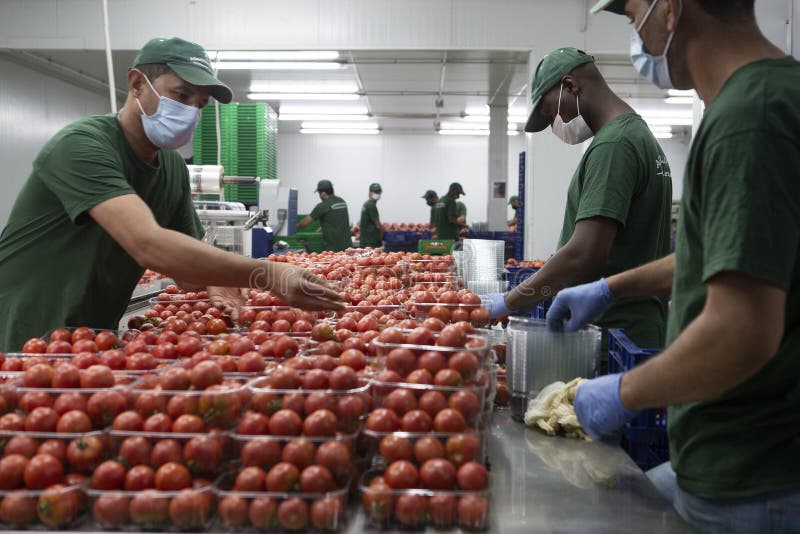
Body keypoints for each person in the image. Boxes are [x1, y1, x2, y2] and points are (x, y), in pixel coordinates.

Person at [548, 0, 800, 530]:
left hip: (752, 472)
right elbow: (726, 252)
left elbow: (742, 331)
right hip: (738, 460)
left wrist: (623, 393)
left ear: (670, 9)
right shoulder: (771, 96)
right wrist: (612, 288)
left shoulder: (747, 120)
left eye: (633, 11)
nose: (633, 33)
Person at [0, 37, 344, 352]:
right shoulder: (83, 146)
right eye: (181, 96)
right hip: (22, 336)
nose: (191, 111)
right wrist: (267, 274)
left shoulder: (172, 168)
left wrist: (215, 282)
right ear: (137, 84)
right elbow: (147, 244)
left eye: (201, 104)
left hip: (90, 341)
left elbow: (185, 274)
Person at [485, 47, 673, 362]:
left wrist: (511, 300)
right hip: (634, 324)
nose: (556, 123)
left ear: (571, 87)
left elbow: (585, 253)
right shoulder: (637, 135)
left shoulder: (613, 146)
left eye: (550, 112)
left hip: (613, 331)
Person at [299, 180, 352, 252]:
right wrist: (321, 228)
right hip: (348, 246)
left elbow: (304, 223)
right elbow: (333, 219)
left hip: (334, 249)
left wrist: (294, 226)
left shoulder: (322, 206)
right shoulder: (341, 201)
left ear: (323, 193)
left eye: (319, 193)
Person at [359, 182, 384, 248]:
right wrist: (383, 233)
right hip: (370, 243)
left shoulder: (366, 204)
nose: (377, 194)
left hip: (366, 241)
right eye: (375, 192)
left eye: (379, 192)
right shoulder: (371, 205)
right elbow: (378, 225)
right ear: (370, 192)